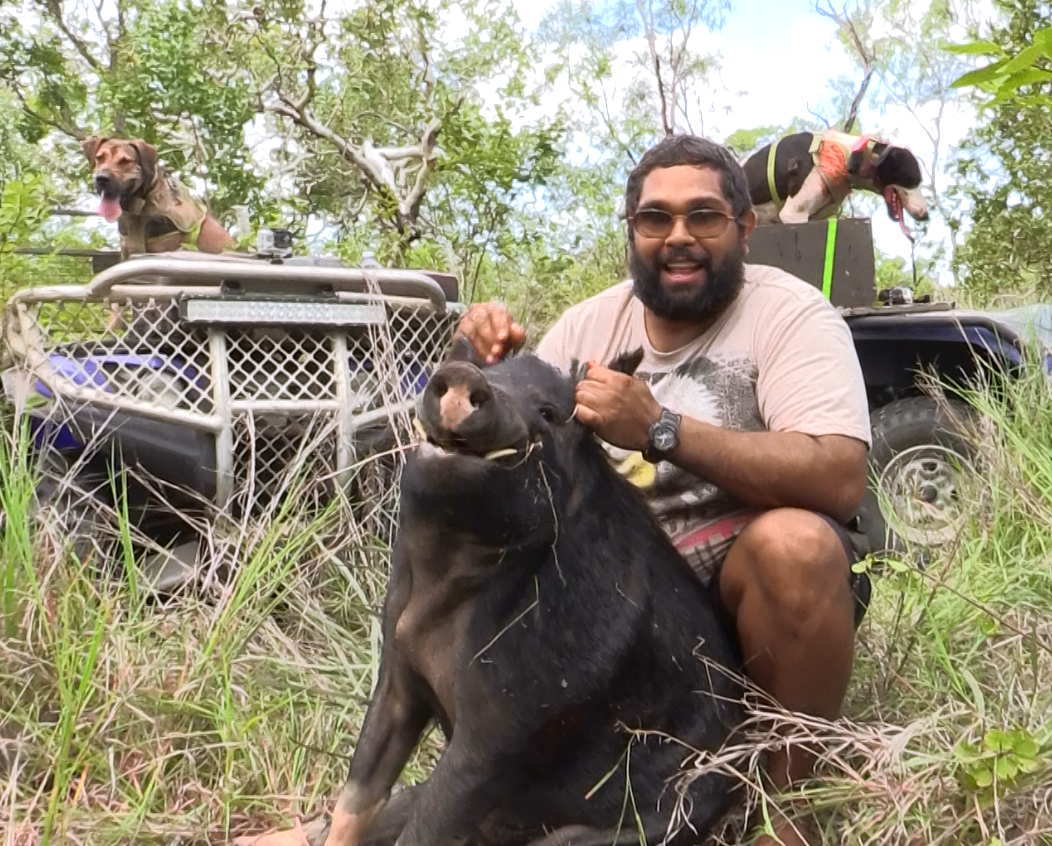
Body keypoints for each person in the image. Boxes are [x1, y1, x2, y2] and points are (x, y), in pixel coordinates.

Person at [453, 134, 873, 846]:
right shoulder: (588, 324)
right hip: (619, 622)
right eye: (656, 219)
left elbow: (837, 475)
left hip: (743, 611)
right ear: (632, 230)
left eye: (704, 216)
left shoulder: (793, 315)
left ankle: (786, 814)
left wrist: (662, 429)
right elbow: (507, 478)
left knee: (796, 546)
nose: (678, 237)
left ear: (744, 227)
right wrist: (478, 375)